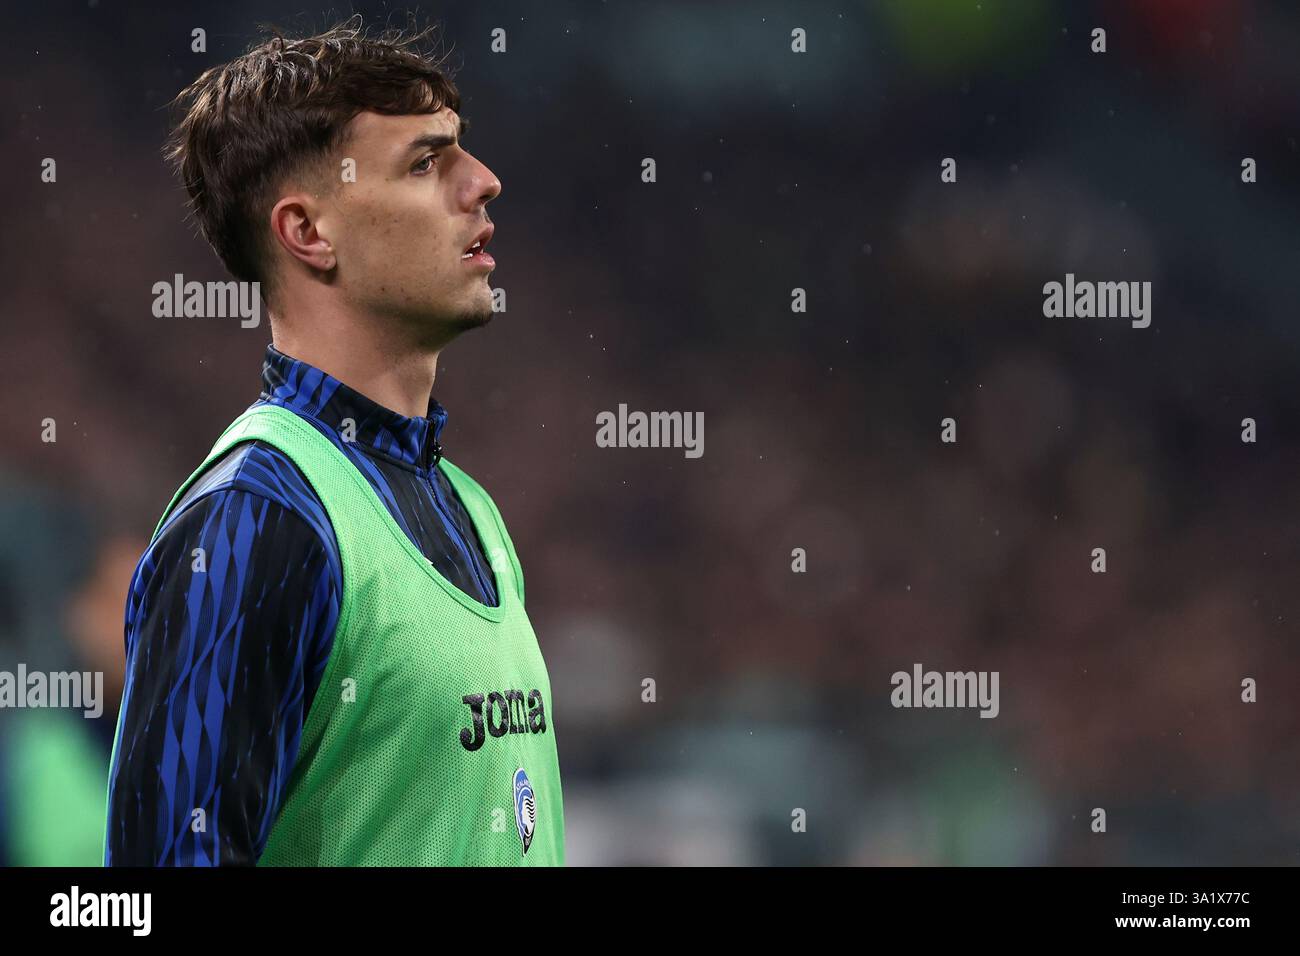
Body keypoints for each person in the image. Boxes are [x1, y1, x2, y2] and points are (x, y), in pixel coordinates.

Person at [104, 19, 564, 866]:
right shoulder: (256, 520)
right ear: (308, 233)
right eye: (425, 163)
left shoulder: (470, 508)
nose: (485, 182)